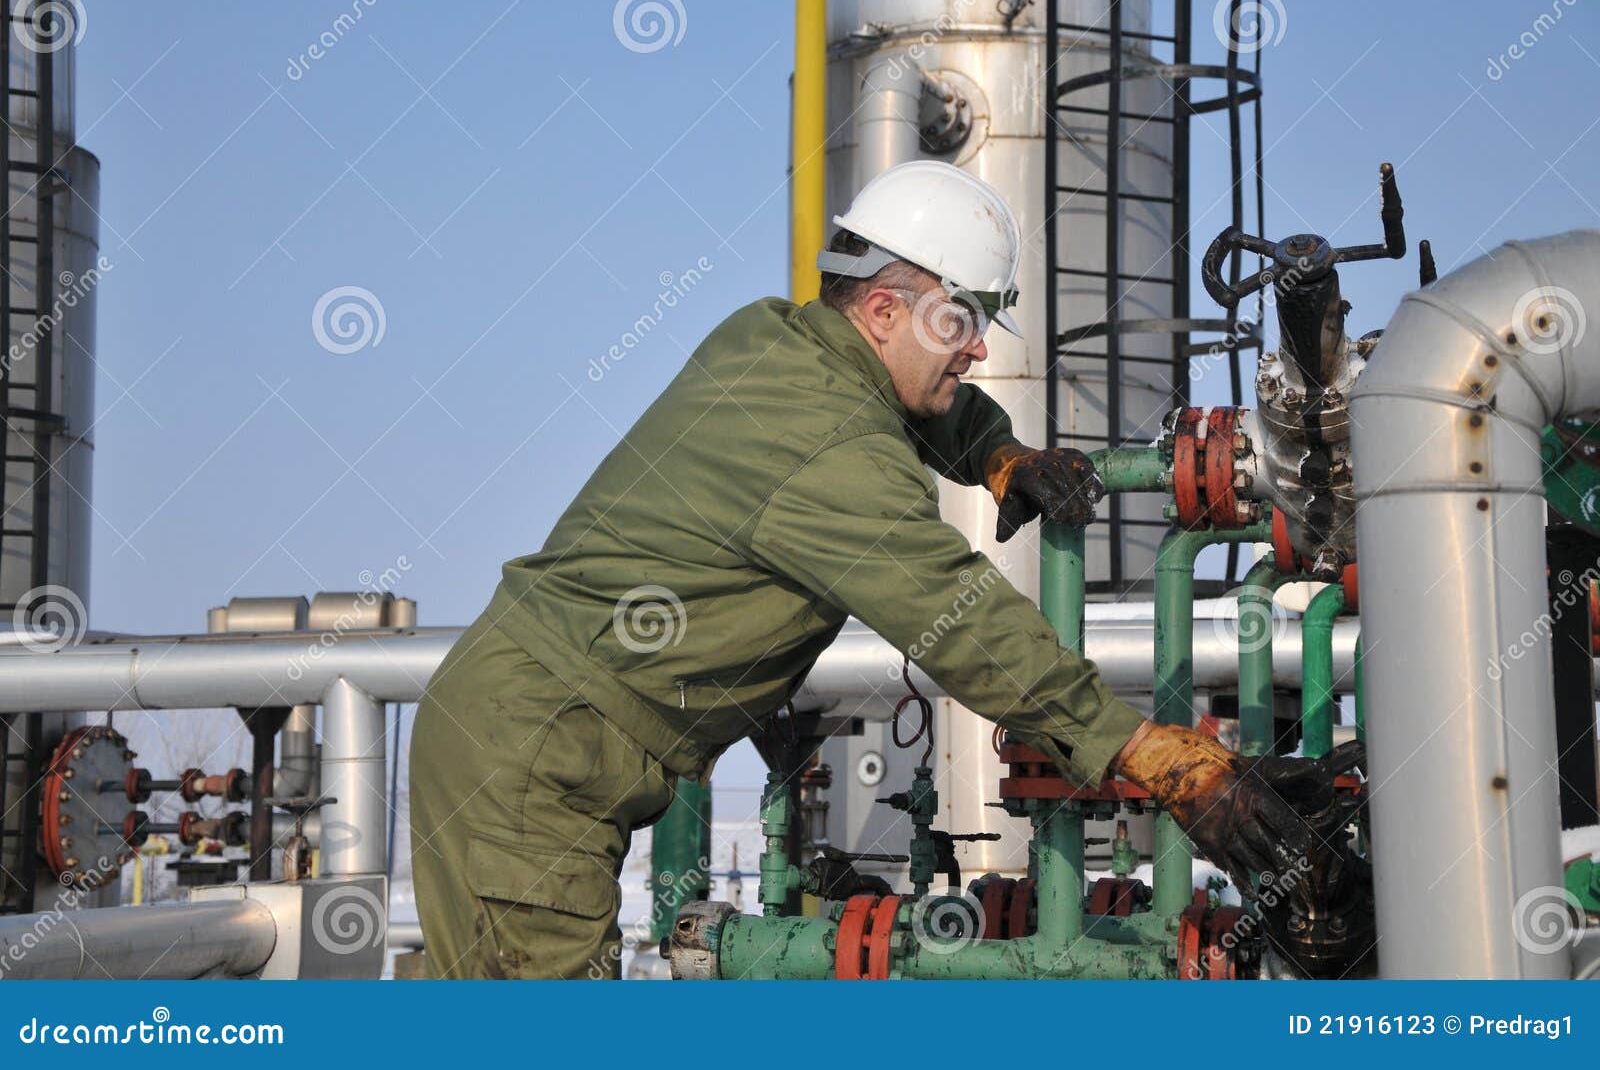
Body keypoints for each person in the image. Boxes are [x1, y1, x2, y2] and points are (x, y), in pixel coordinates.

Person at [409, 160, 1368, 979]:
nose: (982, 347)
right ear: (881, 308)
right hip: (538, 769)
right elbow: (960, 619)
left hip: (530, 734)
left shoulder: (777, 341)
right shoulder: (828, 446)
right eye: (963, 325)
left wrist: (997, 451)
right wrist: (1149, 753)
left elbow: (921, 405)